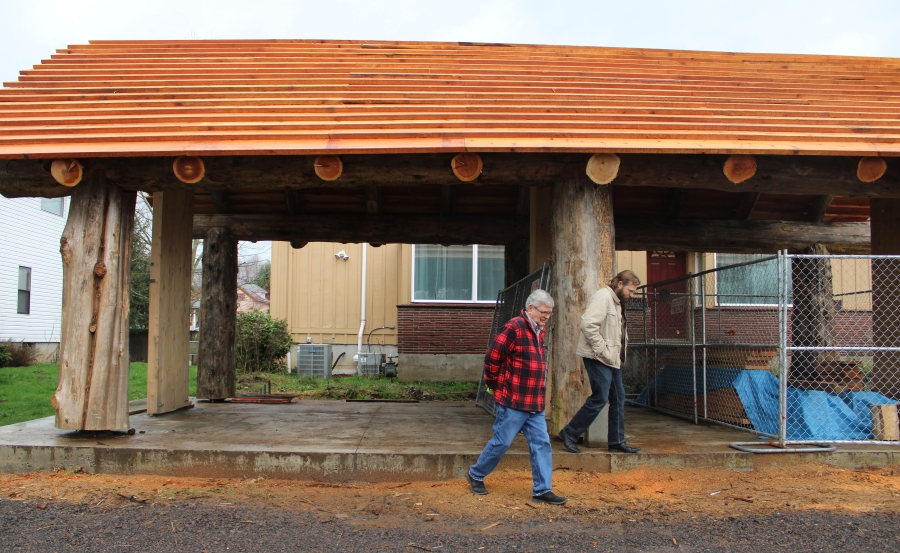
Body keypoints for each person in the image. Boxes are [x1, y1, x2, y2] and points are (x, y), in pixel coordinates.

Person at [465, 289, 568, 505]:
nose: (546, 317)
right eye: (543, 312)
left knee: (541, 443)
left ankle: (542, 489)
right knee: (502, 442)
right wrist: (494, 385)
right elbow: (492, 358)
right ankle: (476, 474)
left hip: (534, 401)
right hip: (513, 400)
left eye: (549, 313)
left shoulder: (538, 329)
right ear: (530, 308)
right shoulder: (514, 327)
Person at [557, 270, 642, 454]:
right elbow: (588, 324)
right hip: (598, 357)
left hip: (612, 359)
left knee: (618, 399)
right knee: (600, 398)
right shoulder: (603, 297)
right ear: (620, 284)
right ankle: (570, 433)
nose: (631, 295)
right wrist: (601, 349)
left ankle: (617, 441)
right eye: (630, 290)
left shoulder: (617, 302)